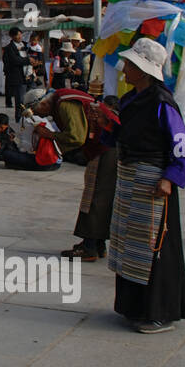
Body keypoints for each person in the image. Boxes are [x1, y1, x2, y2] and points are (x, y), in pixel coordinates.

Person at [106, 38, 185, 334]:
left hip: (153, 181)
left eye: (129, 65)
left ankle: (159, 312)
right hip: (131, 177)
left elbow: (180, 143)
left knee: (154, 244)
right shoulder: (133, 98)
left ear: (143, 70)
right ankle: (133, 306)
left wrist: (171, 177)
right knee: (131, 242)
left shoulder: (161, 102)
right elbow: (126, 134)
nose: (124, 69)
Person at [62, 96, 121, 262]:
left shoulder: (109, 120)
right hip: (106, 155)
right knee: (101, 199)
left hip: (105, 156)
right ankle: (98, 244)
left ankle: (89, 247)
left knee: (95, 199)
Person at [1, 88, 63, 171]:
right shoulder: (44, 118)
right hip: (57, 160)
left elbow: (25, 147)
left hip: (43, 162)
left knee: (7, 154)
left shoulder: (27, 119)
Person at [3, 27, 28, 120]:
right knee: (20, 100)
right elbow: (15, 60)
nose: (20, 36)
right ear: (12, 36)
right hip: (17, 77)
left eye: (20, 34)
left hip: (26, 76)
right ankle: (19, 118)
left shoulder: (24, 46)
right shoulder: (9, 48)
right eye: (18, 34)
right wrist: (28, 60)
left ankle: (26, 118)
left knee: (27, 99)